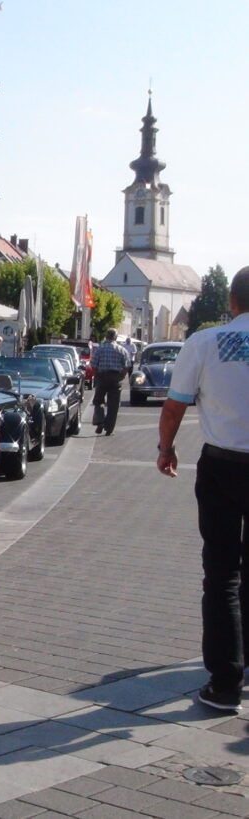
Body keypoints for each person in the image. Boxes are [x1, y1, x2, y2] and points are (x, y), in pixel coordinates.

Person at [157, 266, 249, 713]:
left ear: (231, 302)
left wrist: (166, 448)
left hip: (223, 464)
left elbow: (174, 405)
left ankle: (226, 681)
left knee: (222, 571)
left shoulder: (207, 343)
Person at [91, 328, 131, 435]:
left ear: (106, 336)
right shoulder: (121, 349)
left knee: (98, 401)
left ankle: (100, 421)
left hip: (102, 376)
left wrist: (97, 375)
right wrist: (121, 376)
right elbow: (127, 365)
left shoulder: (100, 349)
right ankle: (109, 428)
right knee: (113, 405)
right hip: (115, 377)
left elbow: (93, 364)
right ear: (115, 337)